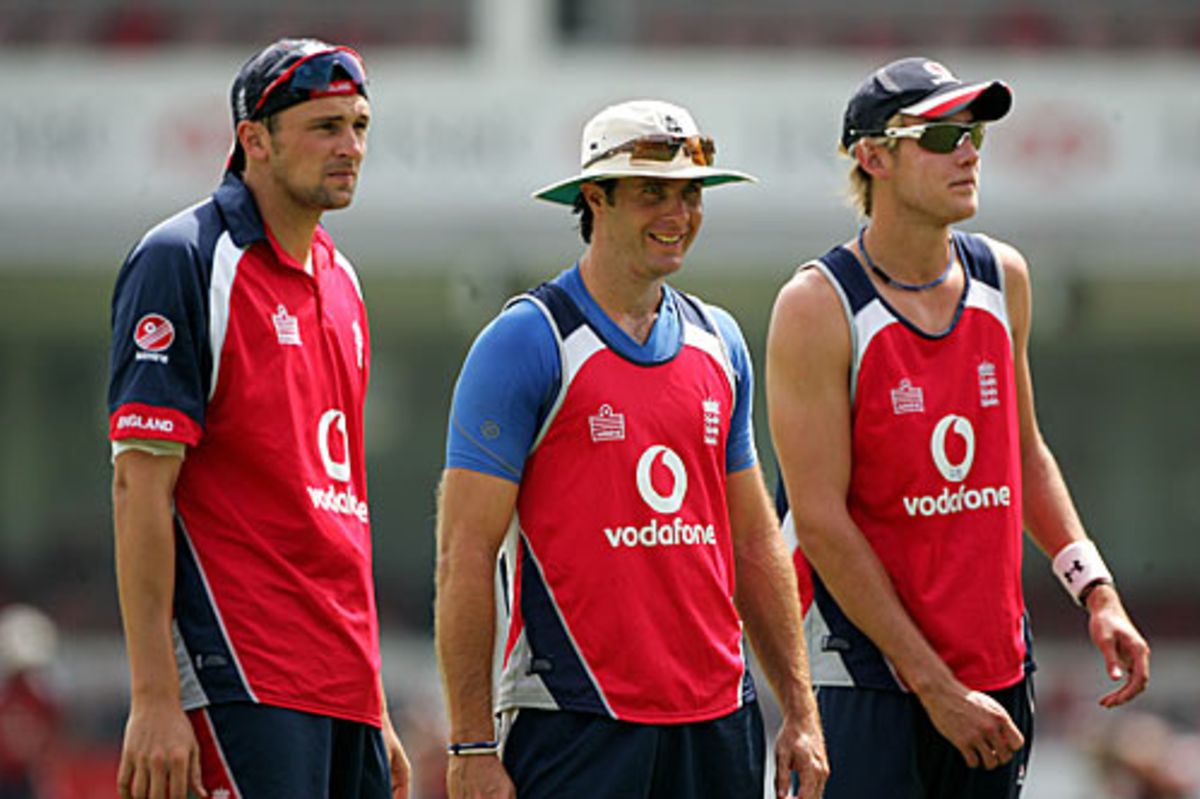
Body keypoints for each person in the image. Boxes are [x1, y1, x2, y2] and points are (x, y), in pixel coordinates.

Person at [766, 56, 1151, 798]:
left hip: (999, 676)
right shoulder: (816, 306)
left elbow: (1024, 453)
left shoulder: (1003, 276)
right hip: (867, 679)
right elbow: (819, 521)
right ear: (872, 157)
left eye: (974, 132)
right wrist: (936, 687)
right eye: (942, 135)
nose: (970, 150)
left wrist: (1094, 588)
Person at [434, 99, 828, 799]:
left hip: (718, 721)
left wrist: (799, 709)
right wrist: (469, 742)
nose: (678, 214)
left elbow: (751, 538)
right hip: (574, 720)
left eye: (690, 194)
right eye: (653, 192)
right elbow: (464, 551)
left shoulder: (721, 341)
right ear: (596, 198)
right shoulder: (527, 340)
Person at [107, 38, 410, 799]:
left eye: (360, 126)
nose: (351, 148)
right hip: (240, 677)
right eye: (325, 127)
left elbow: (345, 512)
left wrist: (371, 701)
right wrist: (153, 696)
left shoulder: (344, 282)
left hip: (344, 691)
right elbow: (138, 488)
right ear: (255, 140)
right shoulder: (181, 258)